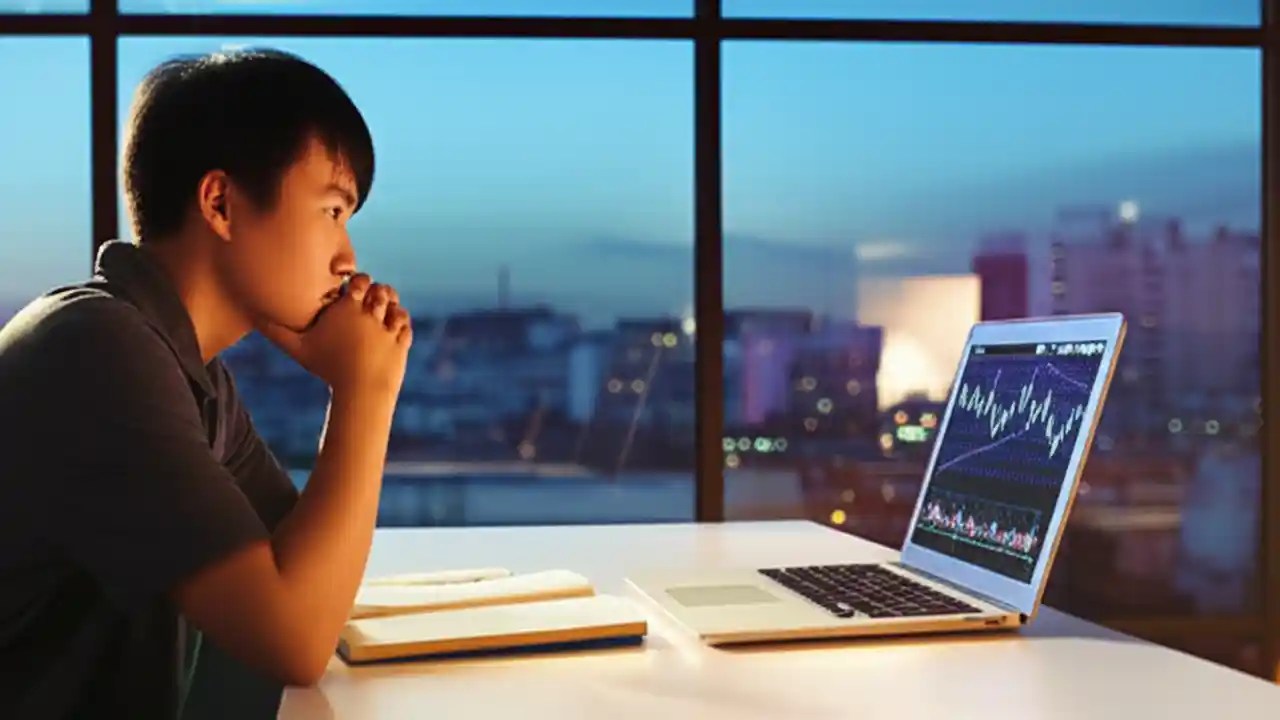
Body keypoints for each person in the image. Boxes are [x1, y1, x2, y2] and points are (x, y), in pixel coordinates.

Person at [0, 48, 410, 718]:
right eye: (333, 211)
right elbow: (296, 641)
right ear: (220, 203)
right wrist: (366, 391)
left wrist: (362, 382)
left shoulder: (186, 371)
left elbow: (307, 581)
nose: (348, 257)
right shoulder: (98, 351)